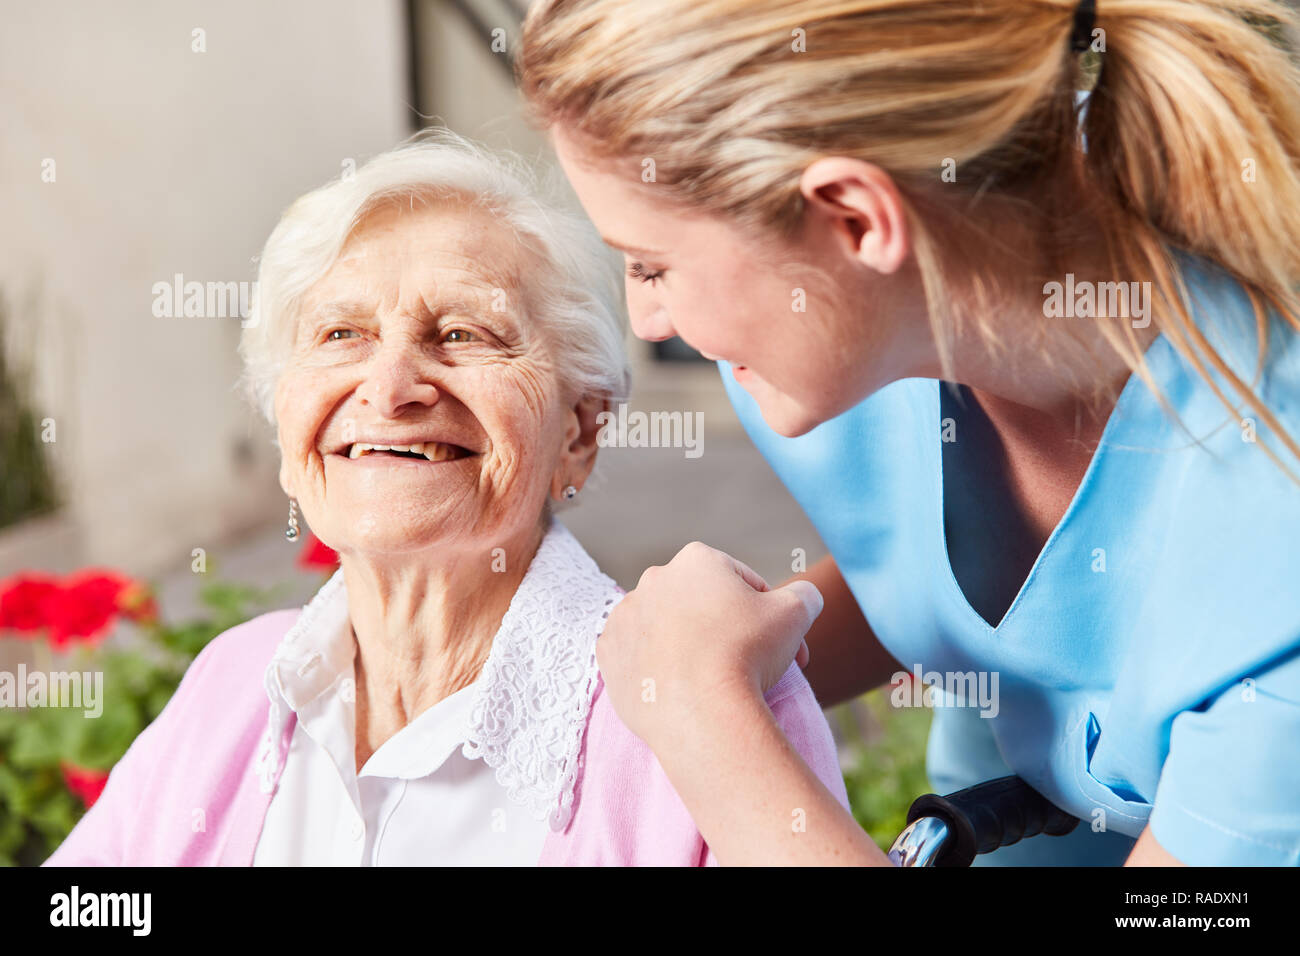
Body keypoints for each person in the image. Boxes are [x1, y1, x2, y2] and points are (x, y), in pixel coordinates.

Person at [517, 0, 1300, 864]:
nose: (648, 317)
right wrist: (651, 681)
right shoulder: (854, 341)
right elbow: (943, 579)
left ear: (855, 219)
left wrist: (707, 716)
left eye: (652, 264)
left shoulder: (1272, 544)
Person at [42, 131, 847, 866]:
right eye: (340, 335)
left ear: (579, 432)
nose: (390, 389)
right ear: (285, 428)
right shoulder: (235, 682)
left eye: (463, 334)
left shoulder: (710, 702)